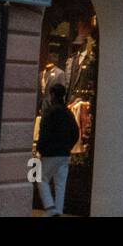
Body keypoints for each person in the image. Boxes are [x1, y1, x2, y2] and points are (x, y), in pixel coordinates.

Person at [34, 83, 80, 216]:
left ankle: (50, 208)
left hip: (50, 152)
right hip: (64, 153)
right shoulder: (68, 113)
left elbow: (44, 132)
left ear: (53, 95)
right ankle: (58, 210)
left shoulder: (50, 113)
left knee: (41, 178)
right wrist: (68, 146)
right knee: (60, 184)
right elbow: (75, 132)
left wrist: (41, 148)